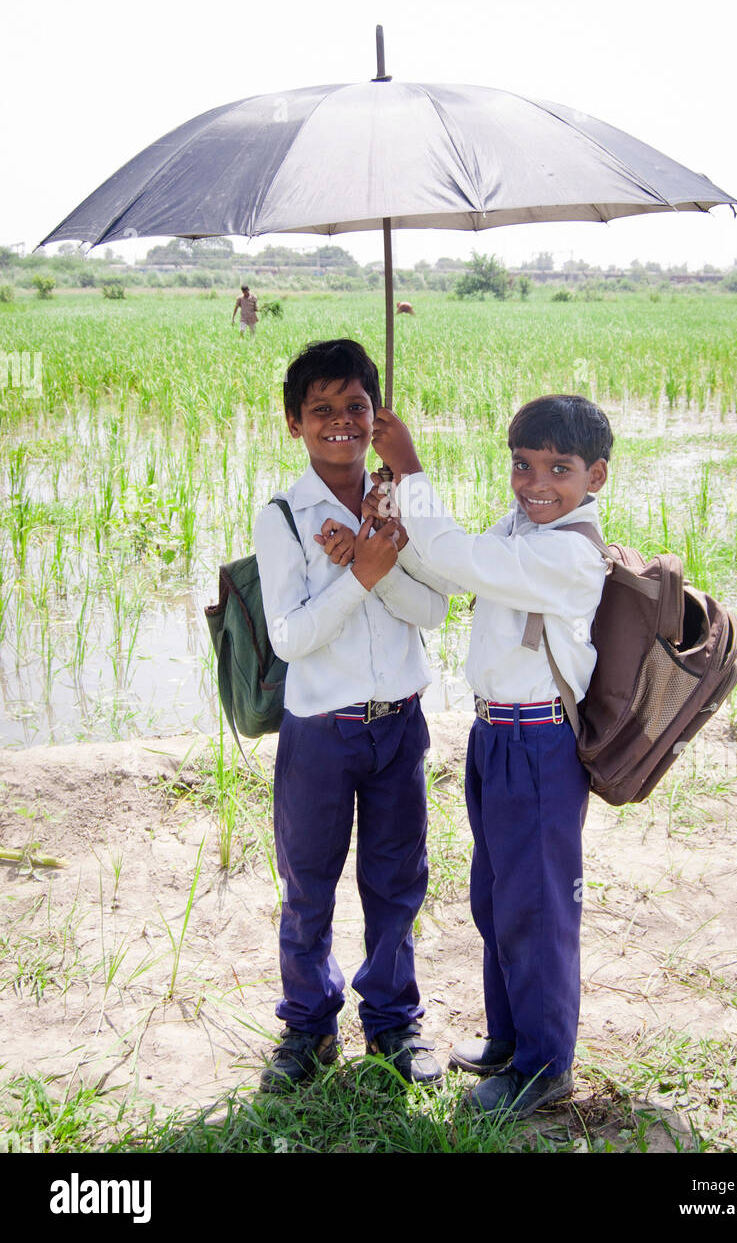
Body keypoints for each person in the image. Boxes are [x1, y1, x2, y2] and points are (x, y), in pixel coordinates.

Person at [369, 394, 611, 1118]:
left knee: (535, 909)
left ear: (595, 477)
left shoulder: (569, 552)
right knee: (497, 898)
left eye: (558, 469)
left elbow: (461, 558)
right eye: (523, 465)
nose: (536, 482)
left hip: (540, 744)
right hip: (495, 738)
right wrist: (396, 518)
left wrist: (411, 468)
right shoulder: (524, 529)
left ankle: (544, 1069)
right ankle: (509, 1039)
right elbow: (449, 570)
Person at [253, 338, 453, 1092]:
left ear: (378, 418)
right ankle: (307, 1027)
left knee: (397, 881)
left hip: (398, 723)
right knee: (308, 883)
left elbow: (433, 610)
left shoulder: (396, 500)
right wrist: (359, 575)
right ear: (295, 425)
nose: (341, 422)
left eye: (356, 408)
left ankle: (394, 1023)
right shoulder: (282, 515)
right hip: (321, 732)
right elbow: (293, 636)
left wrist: (378, 559)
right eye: (322, 411)